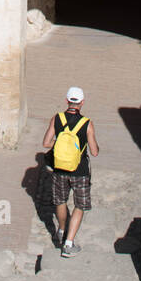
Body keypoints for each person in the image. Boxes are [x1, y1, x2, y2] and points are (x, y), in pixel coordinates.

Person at [41, 87, 99, 257]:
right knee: (79, 205)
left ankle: (61, 229)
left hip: (59, 168)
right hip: (79, 171)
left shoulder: (56, 118)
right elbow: (94, 151)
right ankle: (68, 243)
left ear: (67, 100)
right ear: (82, 102)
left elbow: (46, 143)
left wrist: (59, 145)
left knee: (60, 201)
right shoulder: (87, 123)